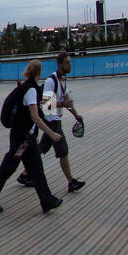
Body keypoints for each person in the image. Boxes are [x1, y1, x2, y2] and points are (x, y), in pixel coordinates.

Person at [0, 59, 64, 214]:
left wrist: (61, 104)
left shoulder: (29, 87)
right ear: (39, 73)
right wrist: (52, 134)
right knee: (8, 169)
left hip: (26, 139)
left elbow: (45, 106)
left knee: (36, 170)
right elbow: (35, 117)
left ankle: (47, 201)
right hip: (23, 140)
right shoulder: (31, 90)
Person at [19, 51, 86, 193]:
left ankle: (24, 174)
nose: (70, 65)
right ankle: (71, 182)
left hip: (56, 120)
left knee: (42, 148)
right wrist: (63, 104)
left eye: (70, 62)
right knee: (63, 151)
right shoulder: (51, 81)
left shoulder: (63, 80)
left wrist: (76, 115)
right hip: (51, 121)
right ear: (60, 64)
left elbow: (67, 101)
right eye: (67, 63)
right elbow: (47, 104)